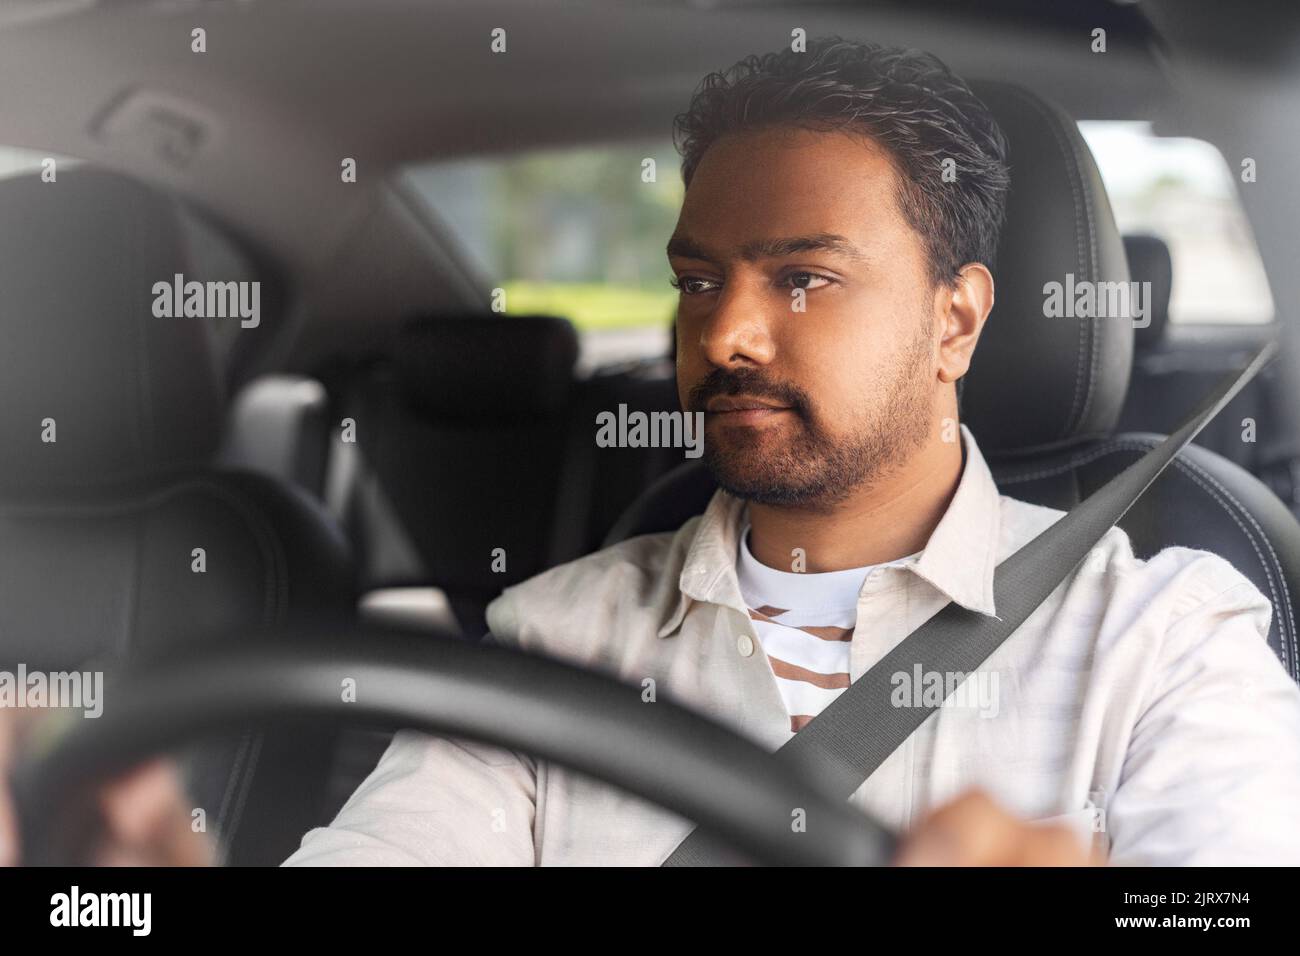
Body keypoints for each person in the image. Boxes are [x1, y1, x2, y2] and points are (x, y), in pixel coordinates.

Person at [4, 37, 1299, 867]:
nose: (725, 331)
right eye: (696, 280)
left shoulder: (1165, 633)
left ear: (955, 319)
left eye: (800, 279)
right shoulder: (551, 643)